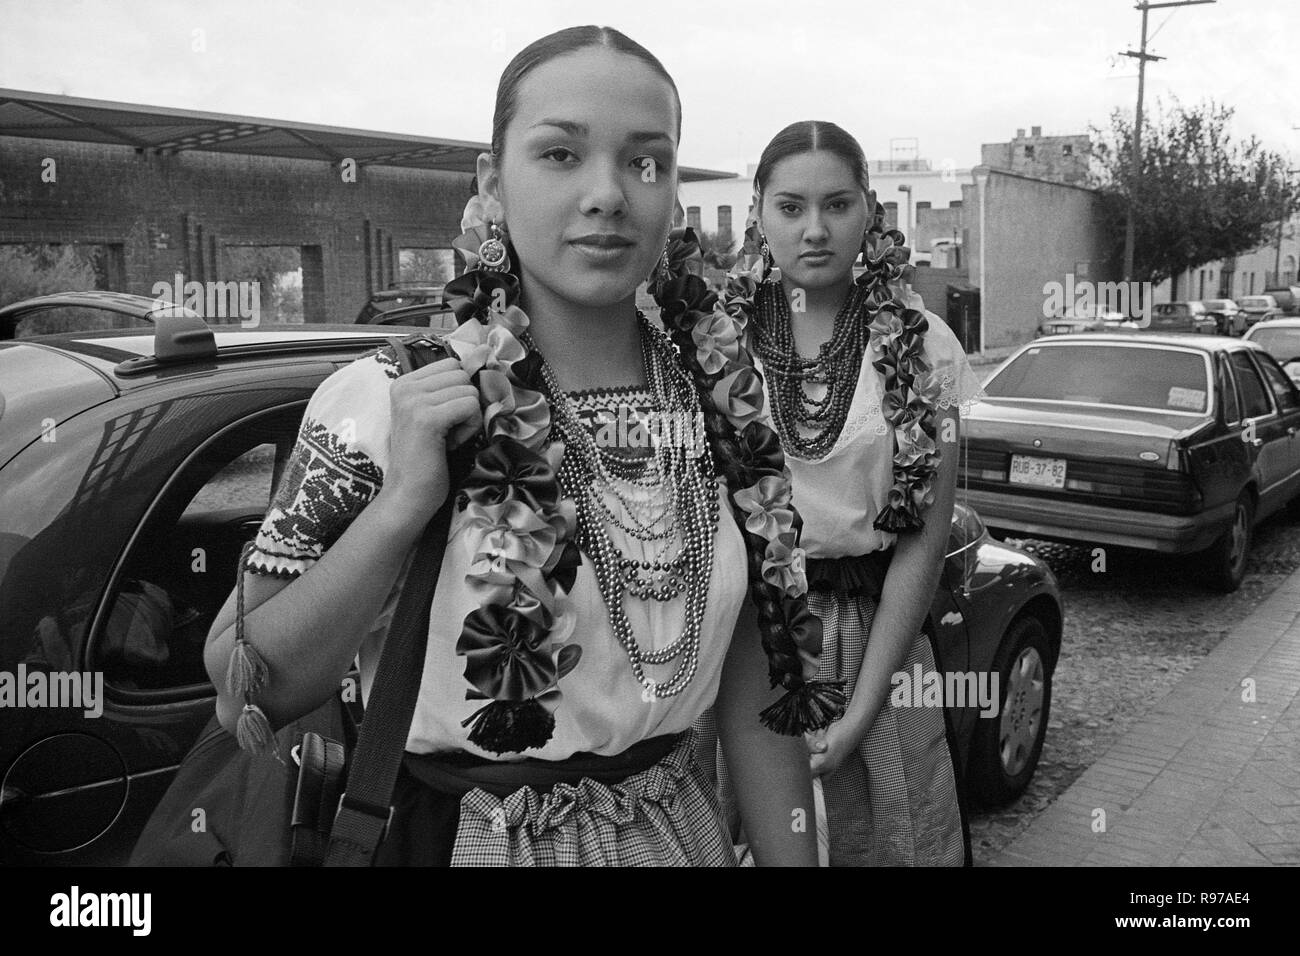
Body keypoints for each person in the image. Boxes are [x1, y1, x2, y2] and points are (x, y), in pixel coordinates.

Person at [200, 26, 823, 867]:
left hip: (677, 838)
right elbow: (246, 686)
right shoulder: (395, 401)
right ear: (492, 183)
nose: (608, 193)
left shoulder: (725, 407)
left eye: (645, 161)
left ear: (673, 193)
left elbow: (760, 697)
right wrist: (398, 513)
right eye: (560, 155)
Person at [710, 121, 987, 866]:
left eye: (837, 205)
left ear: (870, 210)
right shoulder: (709, 343)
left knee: (890, 840)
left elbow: (924, 541)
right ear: (758, 212)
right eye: (791, 207)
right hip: (747, 644)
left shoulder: (927, 346)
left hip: (879, 646)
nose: (815, 229)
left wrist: (863, 708)